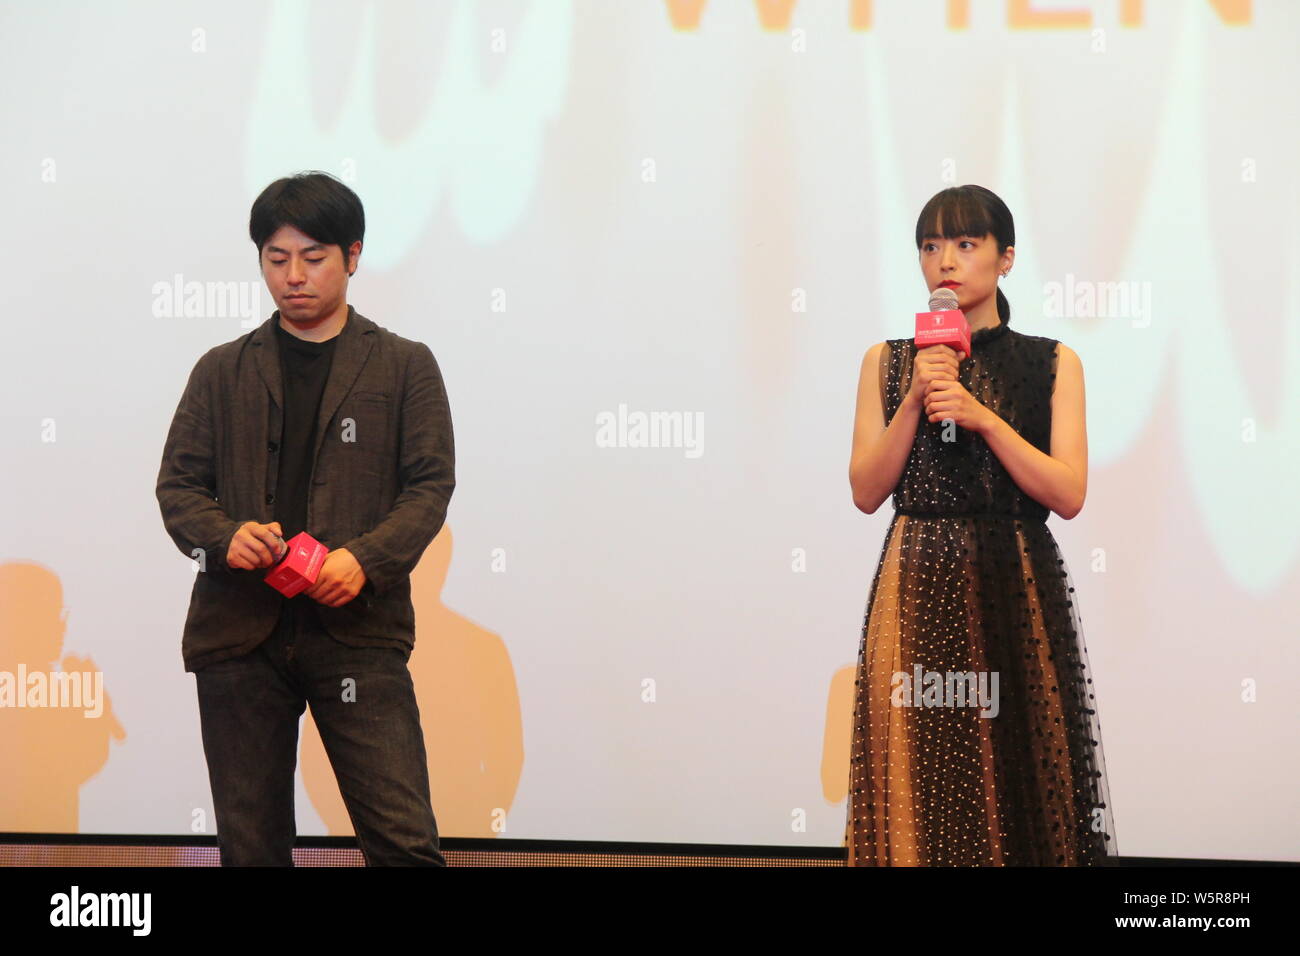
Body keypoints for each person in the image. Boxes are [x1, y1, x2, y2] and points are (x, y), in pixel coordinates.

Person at [155, 171, 455, 866]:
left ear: (353, 256)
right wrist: (226, 537)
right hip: (239, 632)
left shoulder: (405, 365)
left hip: (357, 632)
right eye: (276, 258)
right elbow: (177, 487)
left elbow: (429, 486)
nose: (294, 276)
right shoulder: (220, 371)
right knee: (251, 847)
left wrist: (365, 561)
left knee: (403, 840)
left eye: (314, 257)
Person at [844, 185, 1117, 866]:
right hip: (915, 584)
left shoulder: (1053, 362)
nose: (946, 262)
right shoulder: (888, 361)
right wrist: (914, 399)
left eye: (966, 244)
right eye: (931, 246)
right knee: (917, 775)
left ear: (1007, 258)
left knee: (1021, 771)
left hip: (1014, 582)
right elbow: (866, 490)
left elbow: (1069, 492)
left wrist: (984, 417)